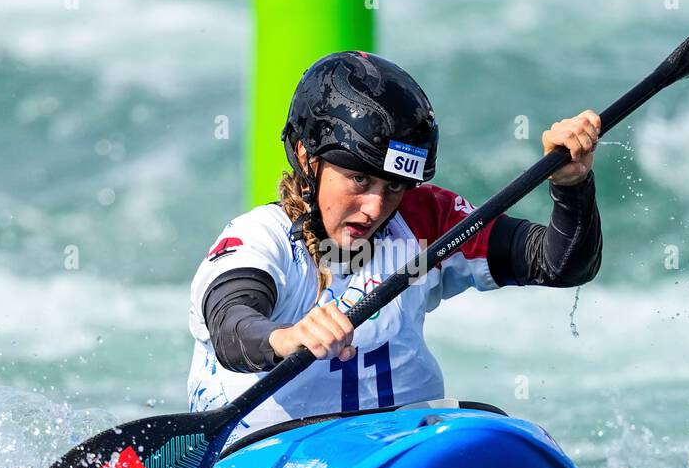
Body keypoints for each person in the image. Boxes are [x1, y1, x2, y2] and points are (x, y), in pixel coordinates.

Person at [188, 50, 602, 442]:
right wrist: (284, 338)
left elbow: (559, 264)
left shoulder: (425, 221)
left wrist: (572, 186)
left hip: (394, 449)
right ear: (306, 155)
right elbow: (231, 325)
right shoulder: (260, 237)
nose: (375, 208)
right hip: (267, 462)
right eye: (360, 180)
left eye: (394, 186)